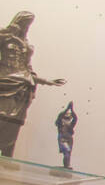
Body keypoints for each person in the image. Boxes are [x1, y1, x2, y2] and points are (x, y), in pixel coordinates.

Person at [0, 12, 66, 157]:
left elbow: (28, 70)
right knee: (3, 115)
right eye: (24, 23)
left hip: (24, 86)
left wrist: (47, 81)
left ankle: (7, 154)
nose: (26, 28)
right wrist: (10, 31)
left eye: (28, 25)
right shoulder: (5, 37)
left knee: (15, 122)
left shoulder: (27, 46)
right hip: (5, 83)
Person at [55, 101, 77, 169]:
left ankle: (66, 166)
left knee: (68, 153)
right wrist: (67, 108)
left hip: (68, 138)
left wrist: (71, 109)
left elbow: (75, 119)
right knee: (66, 152)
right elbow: (60, 116)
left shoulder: (70, 125)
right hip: (63, 138)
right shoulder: (60, 124)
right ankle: (66, 166)